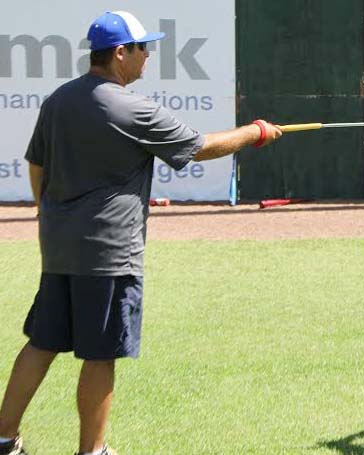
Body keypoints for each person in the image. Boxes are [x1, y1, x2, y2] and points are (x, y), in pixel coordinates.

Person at [0, 11, 281, 455]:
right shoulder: (129, 107)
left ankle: (2, 437)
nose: (147, 56)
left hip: (59, 249)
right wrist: (255, 132)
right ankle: (93, 451)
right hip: (109, 253)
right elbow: (200, 147)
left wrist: (46, 212)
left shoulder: (59, 99)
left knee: (42, 342)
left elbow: (36, 164)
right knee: (100, 354)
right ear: (119, 53)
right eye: (142, 48)